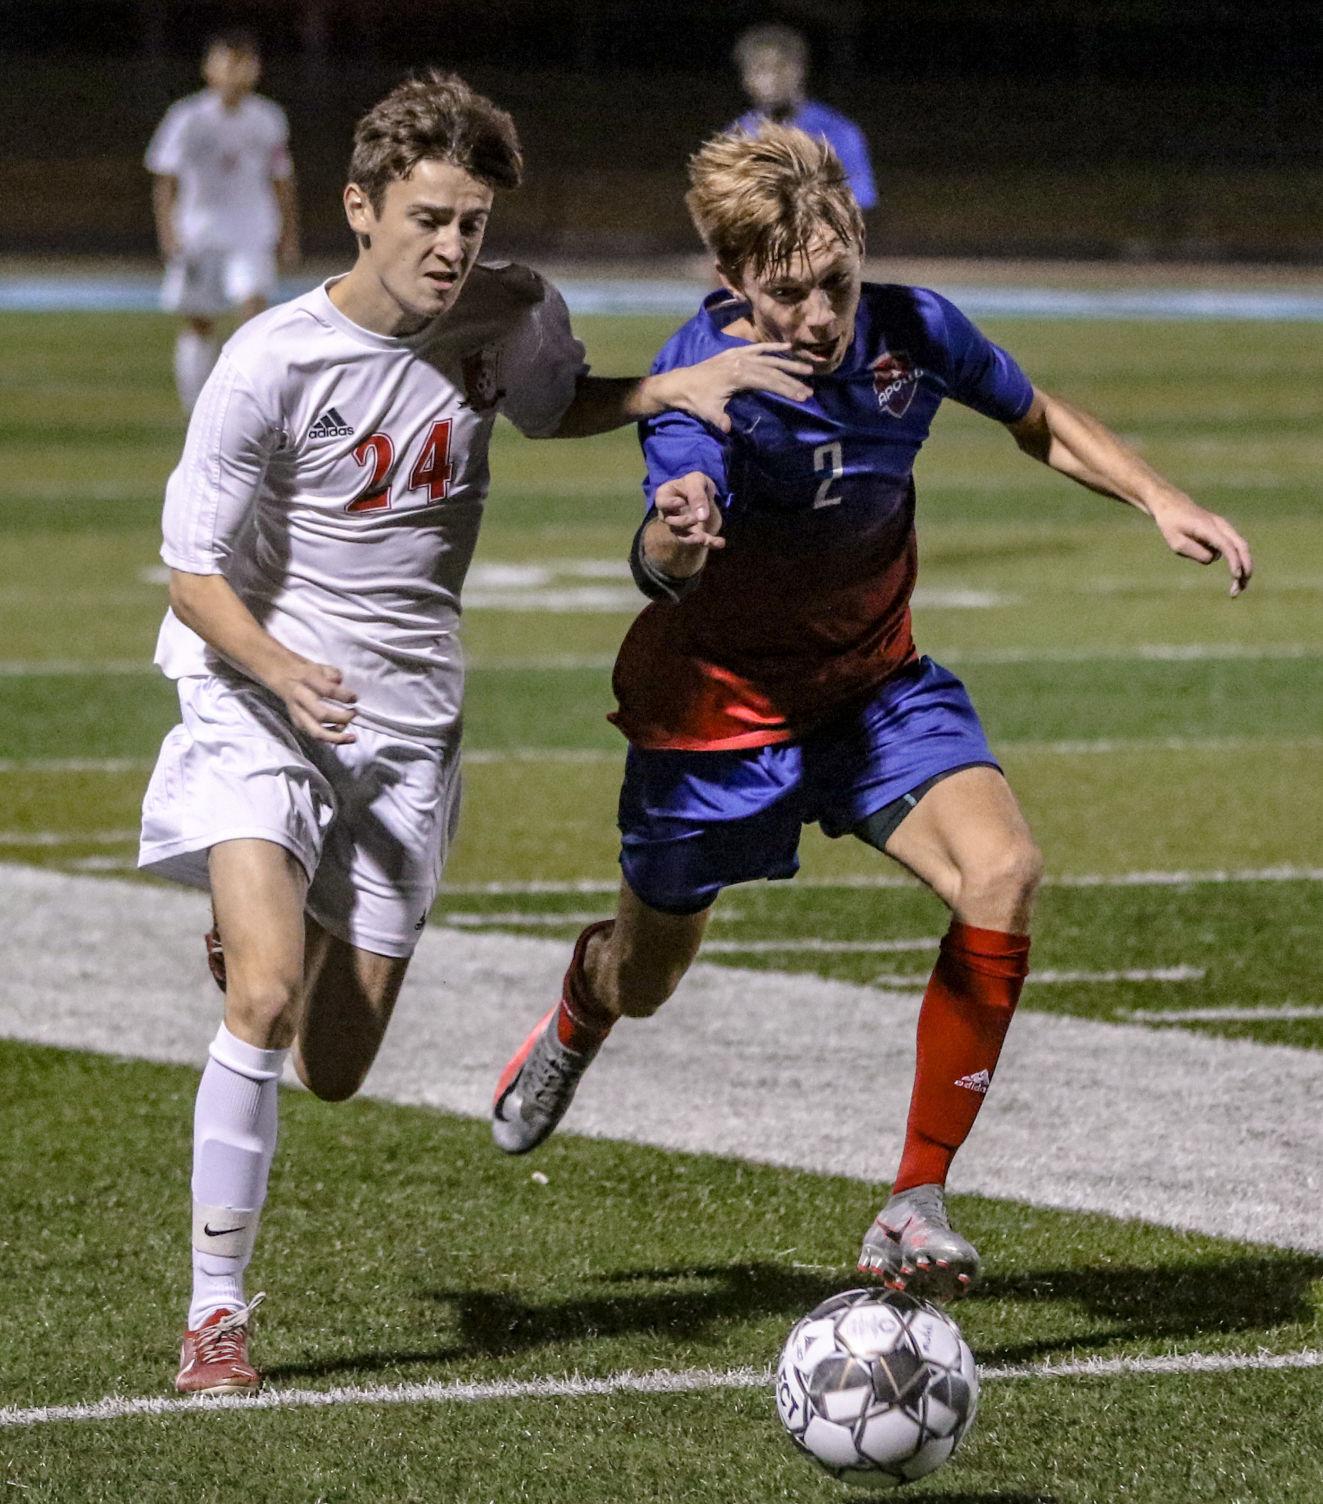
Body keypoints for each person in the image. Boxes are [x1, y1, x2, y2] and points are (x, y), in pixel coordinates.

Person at [492, 124, 1253, 1303]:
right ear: (734, 284)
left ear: (860, 247)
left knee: (1002, 872)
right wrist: (676, 534)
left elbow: (1034, 413)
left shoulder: (916, 329)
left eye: (835, 281)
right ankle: (581, 1010)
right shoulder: (702, 379)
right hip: (721, 714)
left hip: (874, 687)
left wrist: (1160, 496)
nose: (818, 316)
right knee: (648, 976)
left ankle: (916, 1197)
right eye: (787, 295)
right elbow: (662, 554)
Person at [138, 72, 810, 1396]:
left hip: (407, 727)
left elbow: (552, 404)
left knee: (334, 1065)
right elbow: (191, 574)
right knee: (263, 992)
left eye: (471, 221)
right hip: (255, 691)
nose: (452, 246)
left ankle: (265, 909)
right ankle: (215, 1314)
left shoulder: (508, 310)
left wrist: (686, 383)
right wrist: (281, 663)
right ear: (359, 207)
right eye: (429, 218)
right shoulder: (267, 360)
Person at [145, 28, 300, 413]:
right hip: (200, 235)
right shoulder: (187, 117)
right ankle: (196, 407)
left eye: (244, 63)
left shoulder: (268, 118)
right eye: (228, 63)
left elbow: (282, 180)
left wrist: (288, 234)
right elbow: (164, 180)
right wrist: (168, 233)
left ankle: (246, 408)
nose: (236, 72)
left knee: (254, 317)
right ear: (209, 69)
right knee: (200, 323)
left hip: (251, 232)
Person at [731, 24, 876, 212]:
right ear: (746, 79)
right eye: (759, 69)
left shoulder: (837, 132)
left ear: (799, 71)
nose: (770, 77)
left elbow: (862, 198)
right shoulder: (736, 136)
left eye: (780, 66)